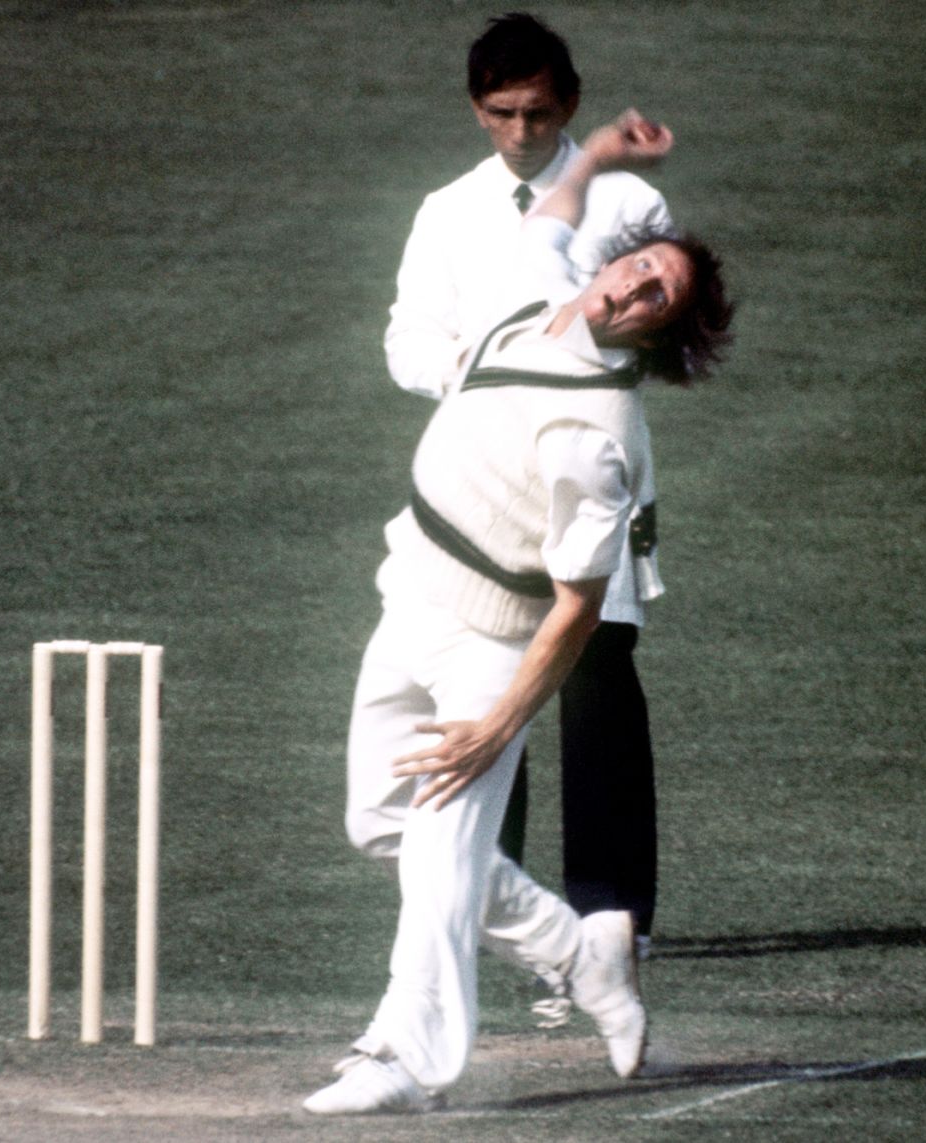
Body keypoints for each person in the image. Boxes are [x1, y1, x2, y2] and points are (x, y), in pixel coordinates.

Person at [303, 111, 733, 1115]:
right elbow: (554, 213)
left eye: (658, 296)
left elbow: (578, 609)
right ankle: (579, 952)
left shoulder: (599, 437)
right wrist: (602, 152)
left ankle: (408, 1059)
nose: (634, 288)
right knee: (378, 820)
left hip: (496, 642)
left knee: (444, 852)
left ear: (658, 335)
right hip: (413, 590)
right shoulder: (535, 287)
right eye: (640, 268)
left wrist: (500, 725)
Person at [384, 12, 669, 966]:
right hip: (488, 489)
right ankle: (483, 899)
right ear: (476, 109)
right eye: (501, 113)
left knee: (596, 680)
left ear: (570, 103)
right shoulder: (446, 210)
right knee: (479, 680)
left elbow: (655, 327)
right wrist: (479, 373)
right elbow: (408, 340)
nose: (520, 131)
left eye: (538, 112)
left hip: (587, 469)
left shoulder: (625, 201)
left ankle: (613, 916)